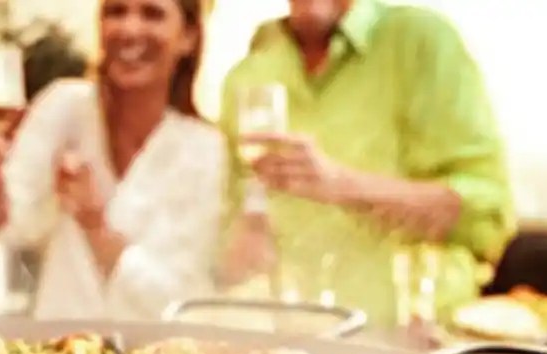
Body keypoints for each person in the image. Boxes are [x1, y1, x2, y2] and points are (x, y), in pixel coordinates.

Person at [218, 0, 514, 328]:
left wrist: (342, 184)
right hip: (293, 336)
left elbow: (487, 211)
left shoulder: (420, 41)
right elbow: (236, 212)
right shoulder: (248, 72)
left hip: (410, 339)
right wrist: (250, 229)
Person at [0, 0, 224, 322]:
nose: (129, 29)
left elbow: (175, 301)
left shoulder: (202, 148)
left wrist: (96, 225)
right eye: (116, 12)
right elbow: (11, 226)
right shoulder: (64, 105)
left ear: (188, 37)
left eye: (152, 14)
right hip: (55, 352)